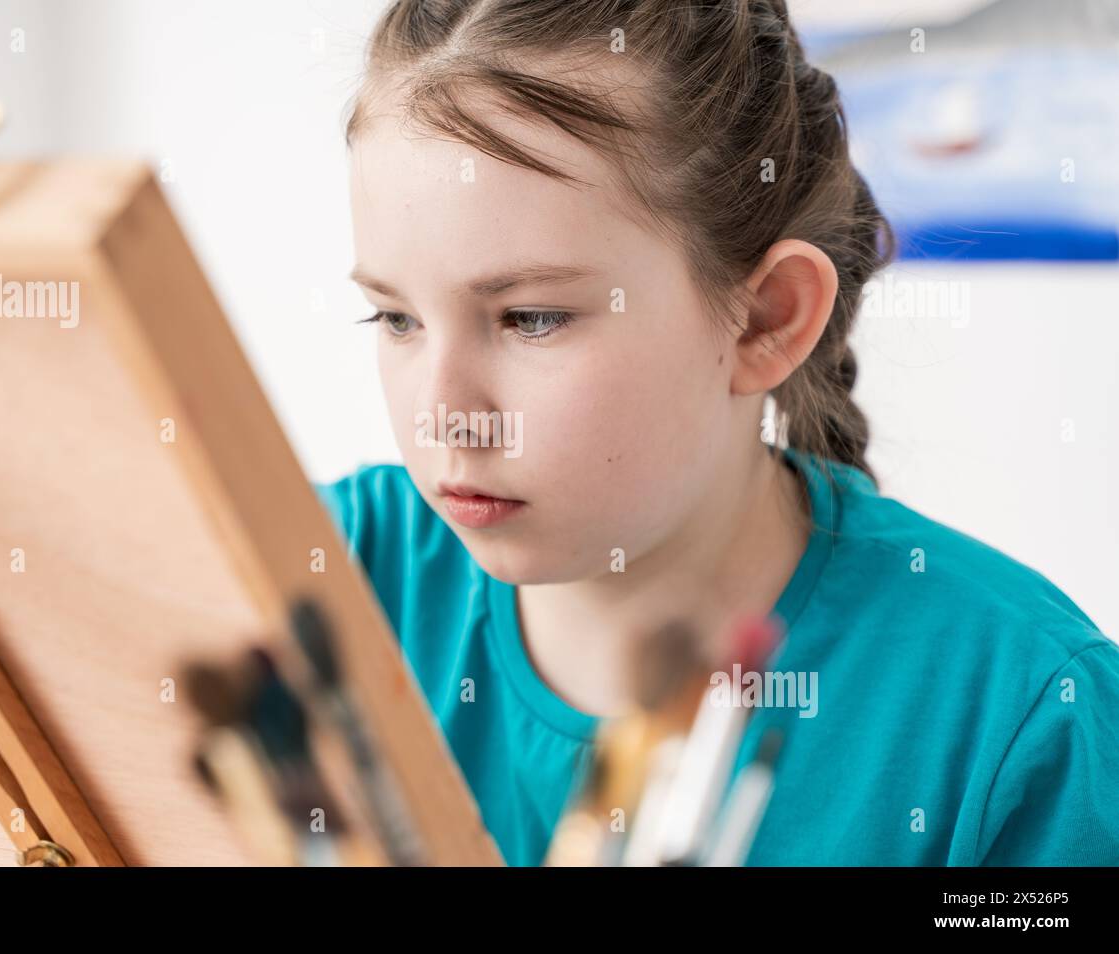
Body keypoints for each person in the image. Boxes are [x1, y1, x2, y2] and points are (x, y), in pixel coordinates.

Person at [314, 0, 1119, 866]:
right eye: (395, 320)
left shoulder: (1019, 713)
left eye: (531, 318)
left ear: (764, 320)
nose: (444, 415)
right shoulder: (305, 565)